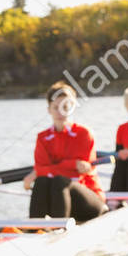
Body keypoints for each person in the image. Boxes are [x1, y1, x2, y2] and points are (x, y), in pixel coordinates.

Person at [22, 81, 107, 223]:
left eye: (65, 107)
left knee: (58, 181)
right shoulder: (42, 138)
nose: (60, 112)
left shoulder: (84, 133)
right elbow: (42, 171)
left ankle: (58, 229)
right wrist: (71, 164)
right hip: (60, 199)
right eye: (56, 107)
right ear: (49, 109)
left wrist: (40, 172)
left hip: (90, 202)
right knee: (42, 182)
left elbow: (74, 173)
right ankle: (34, 229)